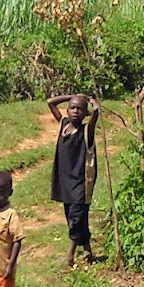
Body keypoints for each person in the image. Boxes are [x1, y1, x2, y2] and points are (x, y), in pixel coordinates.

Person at [47, 92, 99, 267]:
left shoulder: (86, 131)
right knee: (74, 215)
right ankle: (88, 251)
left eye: (80, 109)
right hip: (65, 181)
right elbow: (50, 102)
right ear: (67, 110)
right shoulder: (64, 124)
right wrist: (71, 96)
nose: (76, 111)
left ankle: (70, 255)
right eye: (72, 108)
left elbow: (96, 113)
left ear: (85, 113)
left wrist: (92, 102)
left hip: (81, 181)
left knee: (76, 216)